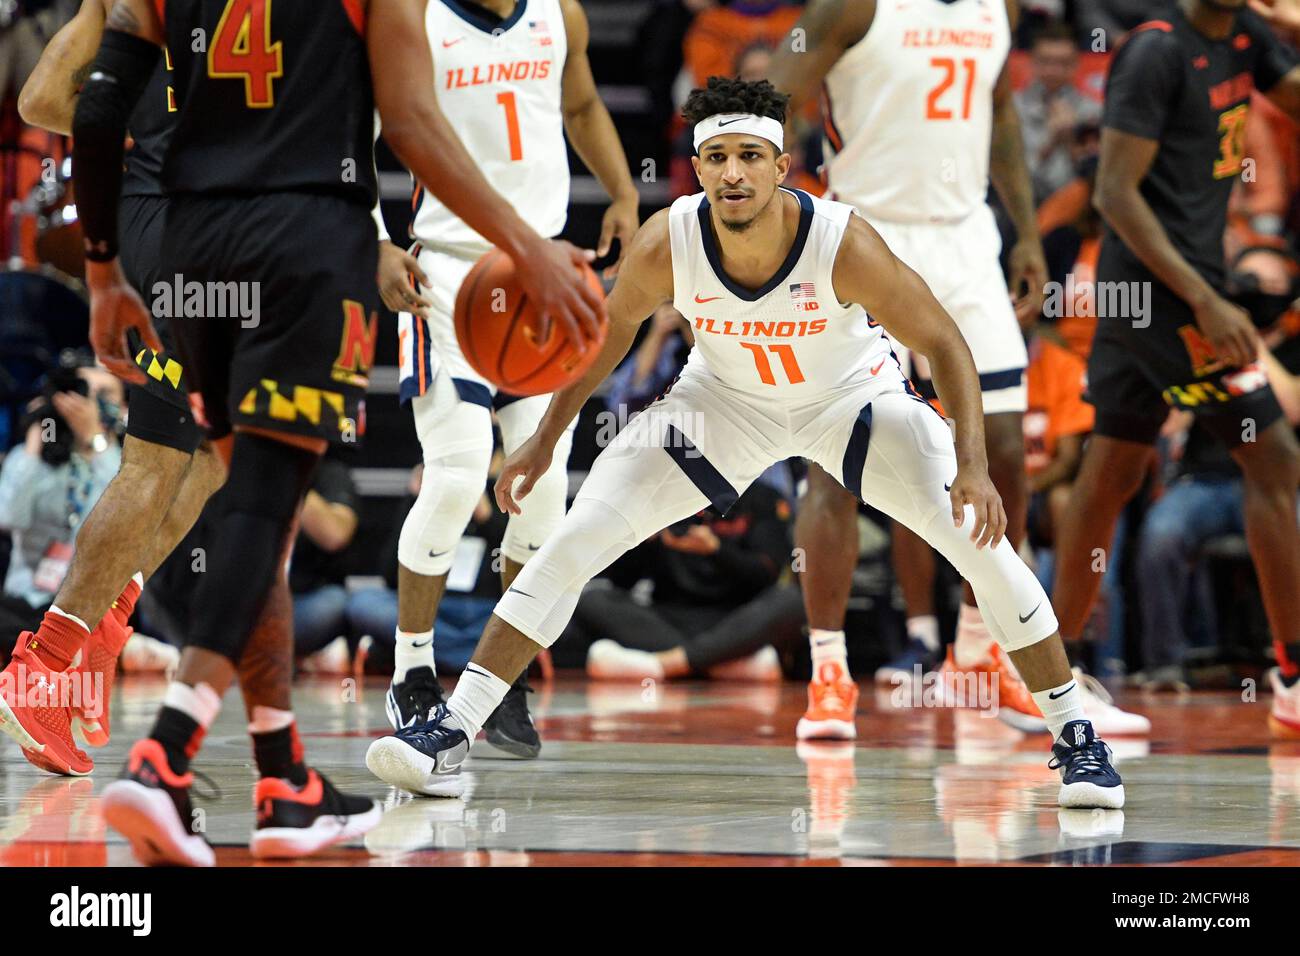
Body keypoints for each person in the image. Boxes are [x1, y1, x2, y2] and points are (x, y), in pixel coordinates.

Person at [364, 77, 1126, 811]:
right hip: (724, 406)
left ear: (780, 165)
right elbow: (603, 344)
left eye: (750, 156)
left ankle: (1078, 736)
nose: (733, 173)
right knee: (575, 539)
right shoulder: (669, 241)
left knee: (983, 548)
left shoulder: (842, 241)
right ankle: (451, 731)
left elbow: (948, 344)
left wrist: (972, 466)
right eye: (717, 157)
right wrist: (541, 443)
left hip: (849, 401)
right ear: (696, 169)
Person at [60, 0, 604, 866]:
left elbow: (93, 104)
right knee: (263, 511)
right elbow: (415, 123)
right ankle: (164, 754)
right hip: (306, 237)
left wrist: (99, 268)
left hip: (190, 243)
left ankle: (284, 780)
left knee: (252, 512)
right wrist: (526, 247)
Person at [766, 0, 1060, 738]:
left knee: (1004, 459)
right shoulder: (854, 6)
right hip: (864, 236)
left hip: (965, 241)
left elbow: (1001, 119)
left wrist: (1023, 231)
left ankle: (976, 653)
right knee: (835, 467)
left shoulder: (999, 8)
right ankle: (829, 673)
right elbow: (767, 103)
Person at [380, 0, 639, 761]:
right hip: (446, 275)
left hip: (539, 277)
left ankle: (500, 679)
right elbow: (346, 137)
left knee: (544, 491)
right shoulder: (413, 18)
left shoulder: (560, 13)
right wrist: (374, 241)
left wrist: (623, 190)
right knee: (459, 474)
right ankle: (411, 670)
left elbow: (583, 101)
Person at [1048, 0, 1300, 736]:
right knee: (1274, 455)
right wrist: (1207, 299)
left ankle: (1047, 674)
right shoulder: (1155, 52)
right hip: (1160, 298)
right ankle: (1291, 673)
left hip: (1169, 294)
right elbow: (1113, 195)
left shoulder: (1249, 36)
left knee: (1111, 472)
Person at [555, 479, 802, 682]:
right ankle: (720, 664)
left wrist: (717, 551)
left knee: (792, 600)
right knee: (592, 598)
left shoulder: (763, 497)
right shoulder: (664, 494)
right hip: (669, 618)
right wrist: (640, 543)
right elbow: (621, 582)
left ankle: (664, 665)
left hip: (735, 619)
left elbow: (766, 577)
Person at [0, 363, 122, 643]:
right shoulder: (33, 458)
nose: (87, 403)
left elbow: (116, 525)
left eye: (103, 393)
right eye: (81, 391)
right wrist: (35, 436)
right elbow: (8, 518)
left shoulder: (125, 466)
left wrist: (95, 440)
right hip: (22, 601)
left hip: (89, 608)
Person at [1015, 22, 1103, 203]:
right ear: (1031, 62)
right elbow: (1012, 174)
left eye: (1063, 63)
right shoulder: (1013, 108)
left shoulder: (1093, 110)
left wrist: (1071, 139)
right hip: (1025, 202)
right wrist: (1052, 142)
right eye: (1045, 62)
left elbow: (1097, 179)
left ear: (1076, 64)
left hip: (1077, 209)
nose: (1053, 71)